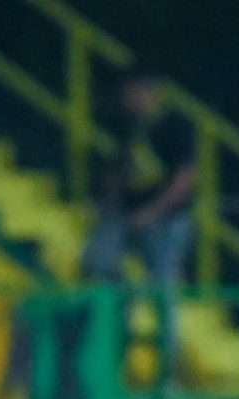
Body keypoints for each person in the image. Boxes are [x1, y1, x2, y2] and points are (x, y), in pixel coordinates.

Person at [81, 69, 195, 370]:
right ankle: (115, 349)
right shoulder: (128, 127)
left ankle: (168, 371)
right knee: (100, 264)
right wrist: (106, 205)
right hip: (132, 216)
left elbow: (184, 180)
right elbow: (118, 172)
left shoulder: (174, 126)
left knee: (162, 288)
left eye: (134, 92)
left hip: (167, 221)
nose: (127, 98)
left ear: (150, 92)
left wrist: (153, 213)